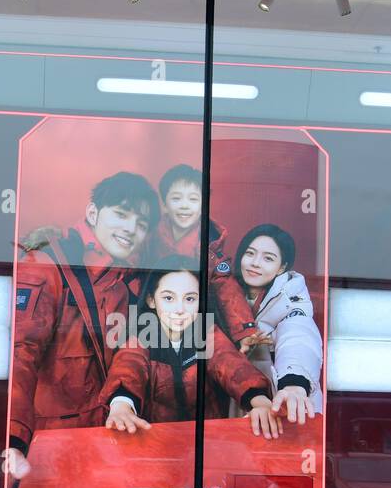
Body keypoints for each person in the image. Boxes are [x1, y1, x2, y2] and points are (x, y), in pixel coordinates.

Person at [3, 172, 157, 479]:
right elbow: (21, 353)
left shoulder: (130, 281)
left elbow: (131, 347)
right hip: (45, 446)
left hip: (104, 438)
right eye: (122, 214)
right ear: (92, 213)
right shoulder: (47, 265)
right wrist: (14, 438)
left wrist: (122, 401)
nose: (130, 229)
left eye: (141, 224)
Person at [102, 260, 282, 439]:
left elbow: (229, 363)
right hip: (156, 440)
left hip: (206, 443)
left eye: (189, 299)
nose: (180, 309)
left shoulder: (205, 332)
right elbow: (129, 366)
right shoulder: (142, 335)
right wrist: (121, 405)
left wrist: (259, 401)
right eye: (168, 298)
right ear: (151, 300)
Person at [149, 164, 262, 352]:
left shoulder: (210, 243)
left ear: (204, 204)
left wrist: (245, 330)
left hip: (193, 317)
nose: (185, 205)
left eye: (193, 199)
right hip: (154, 316)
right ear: (164, 203)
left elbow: (226, 287)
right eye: (176, 198)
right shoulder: (151, 236)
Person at [234, 223, 323, 423]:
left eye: (268, 258)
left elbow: (298, 336)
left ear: (282, 267)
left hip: (285, 409)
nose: (255, 263)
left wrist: (294, 383)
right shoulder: (225, 295)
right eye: (250, 254)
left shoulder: (291, 300)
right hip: (244, 405)